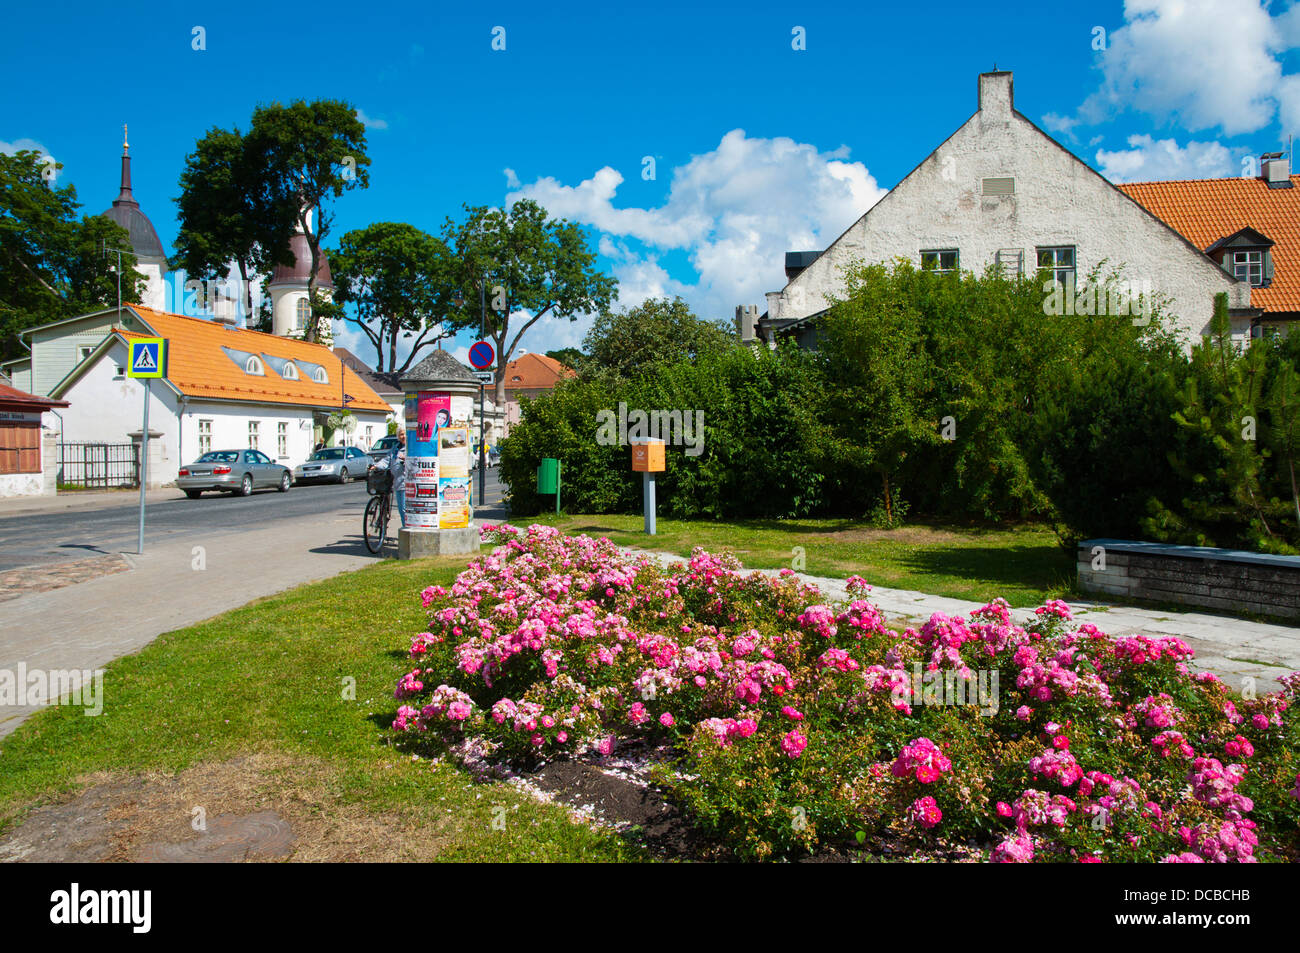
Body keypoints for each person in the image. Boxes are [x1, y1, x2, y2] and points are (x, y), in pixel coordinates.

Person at [389, 430, 407, 526]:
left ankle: (407, 529)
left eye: (404, 434)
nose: (403, 436)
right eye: (401, 434)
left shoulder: (410, 447)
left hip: (406, 482)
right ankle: (404, 528)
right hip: (398, 482)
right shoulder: (396, 448)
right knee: (401, 510)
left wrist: (406, 459)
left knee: (405, 509)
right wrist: (376, 465)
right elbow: (388, 459)